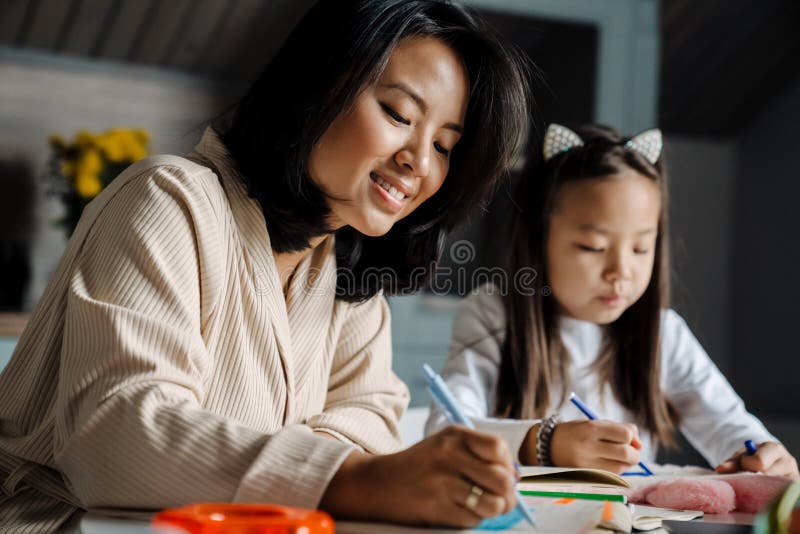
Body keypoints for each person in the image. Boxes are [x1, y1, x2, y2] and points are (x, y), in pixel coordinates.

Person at [0, 1, 533, 530]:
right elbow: (117, 436)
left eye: (443, 145)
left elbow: (373, 413)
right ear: (316, 85)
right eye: (398, 115)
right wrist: (345, 479)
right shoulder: (169, 199)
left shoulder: (347, 270)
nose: (418, 159)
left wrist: (317, 469)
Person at [426, 123, 799, 480]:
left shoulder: (662, 333)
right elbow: (445, 429)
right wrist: (546, 443)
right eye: (594, 247)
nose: (620, 271)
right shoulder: (493, 315)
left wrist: (760, 452)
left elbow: (725, 421)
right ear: (539, 239)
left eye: (640, 247)